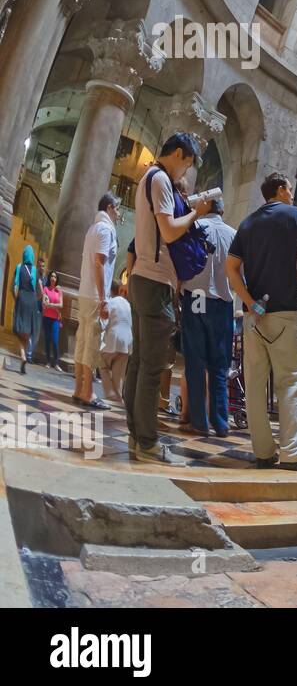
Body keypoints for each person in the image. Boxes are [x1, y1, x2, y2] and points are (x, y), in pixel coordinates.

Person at [226, 172, 297, 472]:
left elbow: (231, 269)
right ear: (280, 190)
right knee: (291, 383)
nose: (292, 195)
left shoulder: (247, 223)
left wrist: (250, 301)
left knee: (255, 385)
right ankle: (294, 453)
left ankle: (263, 452)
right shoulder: (294, 215)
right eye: (291, 189)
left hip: (254, 316)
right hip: (285, 313)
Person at [123, 134, 210, 465]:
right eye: (187, 163)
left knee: (139, 362)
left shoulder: (150, 177)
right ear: (179, 154)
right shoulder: (159, 178)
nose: (185, 171)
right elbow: (171, 231)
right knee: (152, 366)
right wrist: (196, 213)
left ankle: (137, 435)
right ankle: (147, 442)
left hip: (144, 279)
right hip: (155, 281)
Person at [178, 199, 237, 437]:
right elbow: (239, 272)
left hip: (196, 297)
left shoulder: (195, 227)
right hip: (222, 302)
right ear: (222, 210)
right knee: (219, 366)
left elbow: (182, 262)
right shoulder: (234, 234)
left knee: (195, 361)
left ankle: (199, 422)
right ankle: (221, 422)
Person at [76, 193, 120, 406]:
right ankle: (88, 392)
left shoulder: (92, 228)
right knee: (92, 344)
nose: (119, 213)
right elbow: (99, 263)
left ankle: (78, 389)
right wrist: (104, 298)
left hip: (84, 292)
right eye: (117, 208)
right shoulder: (106, 229)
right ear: (110, 207)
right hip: (95, 295)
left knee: (82, 341)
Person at [99, 279, 132, 402]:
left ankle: (109, 393)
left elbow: (104, 320)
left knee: (102, 364)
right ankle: (118, 399)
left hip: (113, 338)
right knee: (119, 377)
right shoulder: (128, 304)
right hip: (127, 342)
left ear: (110, 291)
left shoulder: (111, 302)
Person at [11, 245, 41, 371]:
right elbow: (41, 292)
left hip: (21, 298)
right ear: (32, 256)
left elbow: (14, 287)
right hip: (32, 300)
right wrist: (35, 299)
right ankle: (24, 354)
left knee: (18, 330)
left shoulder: (19, 267)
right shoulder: (35, 270)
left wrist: (16, 299)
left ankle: (23, 355)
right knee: (28, 331)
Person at [41, 271, 64, 370]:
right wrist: (52, 305)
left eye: (54, 277)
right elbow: (44, 302)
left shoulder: (59, 291)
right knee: (47, 340)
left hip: (55, 319)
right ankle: (47, 362)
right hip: (46, 317)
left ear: (56, 279)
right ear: (49, 278)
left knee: (54, 341)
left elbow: (61, 305)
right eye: (51, 276)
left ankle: (56, 363)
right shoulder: (45, 289)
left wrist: (50, 305)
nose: (53, 278)